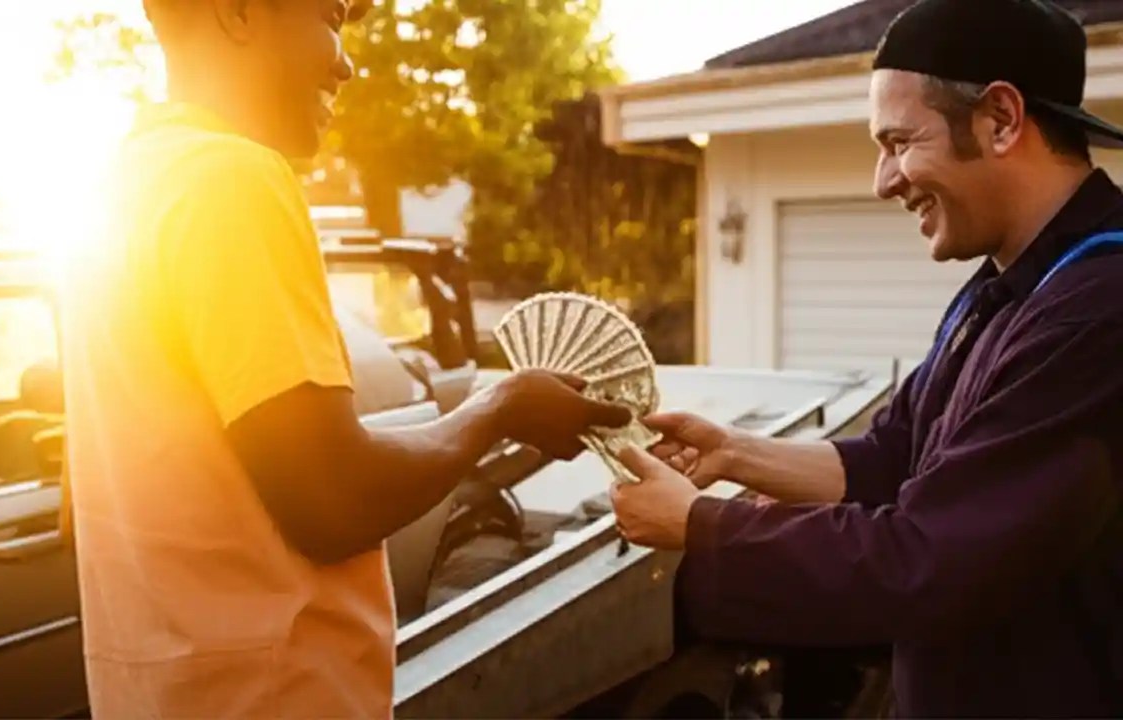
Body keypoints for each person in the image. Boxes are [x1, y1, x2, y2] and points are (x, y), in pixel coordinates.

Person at [59, 1, 631, 717]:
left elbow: (91, 501)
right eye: (330, 17)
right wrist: (500, 408)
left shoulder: (122, 185)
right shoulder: (231, 176)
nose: (345, 60)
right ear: (237, 14)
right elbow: (333, 499)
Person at [611, 0, 1123, 716]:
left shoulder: (1097, 311)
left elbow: (930, 558)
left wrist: (702, 526)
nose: (884, 180)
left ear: (1001, 120)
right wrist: (733, 453)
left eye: (899, 141)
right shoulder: (1008, 288)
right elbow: (895, 456)